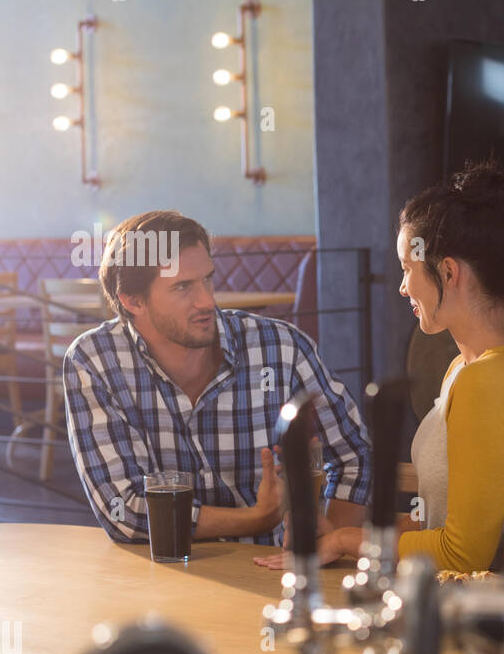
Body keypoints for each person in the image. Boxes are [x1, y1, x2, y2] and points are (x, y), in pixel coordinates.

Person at [255, 160, 504, 573]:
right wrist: (344, 533)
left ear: (448, 273)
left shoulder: (488, 383)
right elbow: (434, 520)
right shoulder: (467, 369)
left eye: (407, 269)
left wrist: (348, 539)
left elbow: (465, 555)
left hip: (470, 614)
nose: (401, 287)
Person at [64, 210, 371, 545]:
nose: (207, 301)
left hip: (270, 577)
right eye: (182, 287)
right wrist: (256, 518)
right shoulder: (95, 360)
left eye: (207, 279)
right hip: (162, 582)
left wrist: (332, 545)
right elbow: (123, 510)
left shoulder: (280, 346)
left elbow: (356, 458)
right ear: (133, 301)